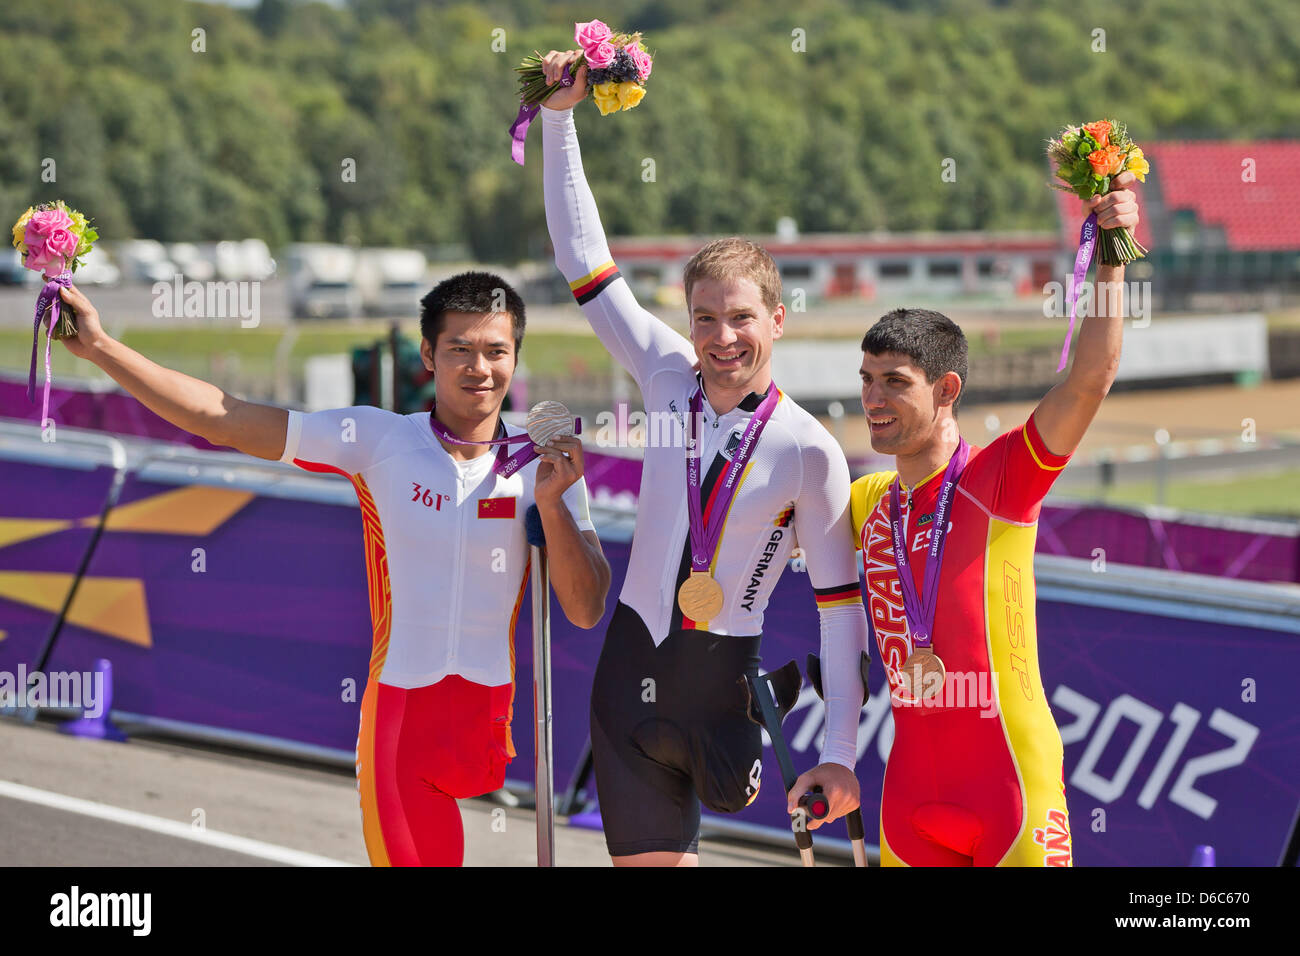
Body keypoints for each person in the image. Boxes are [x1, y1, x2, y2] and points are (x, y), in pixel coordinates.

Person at [54, 271, 611, 866]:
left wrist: (551, 505)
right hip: (402, 722)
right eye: (460, 349)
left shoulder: (544, 464)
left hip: (485, 724)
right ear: (429, 354)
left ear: (515, 357)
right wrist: (101, 348)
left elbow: (584, 608)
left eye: (497, 351)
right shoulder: (379, 440)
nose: (481, 367)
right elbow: (225, 416)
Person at [538, 52, 871, 866]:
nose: (724, 338)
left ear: (779, 321)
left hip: (722, 702)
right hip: (628, 688)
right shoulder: (661, 372)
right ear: (688, 323)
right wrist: (557, 121)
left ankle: (775, 700)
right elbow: (583, 259)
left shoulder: (810, 452)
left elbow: (838, 610)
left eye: (742, 318)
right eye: (707, 319)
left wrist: (841, 753)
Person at [848, 175, 1141, 865]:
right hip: (909, 800)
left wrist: (1111, 256)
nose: (873, 399)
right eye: (865, 379)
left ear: (947, 389)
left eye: (895, 382)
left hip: (1012, 790)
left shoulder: (1001, 480)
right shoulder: (865, 504)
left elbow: (1089, 377)